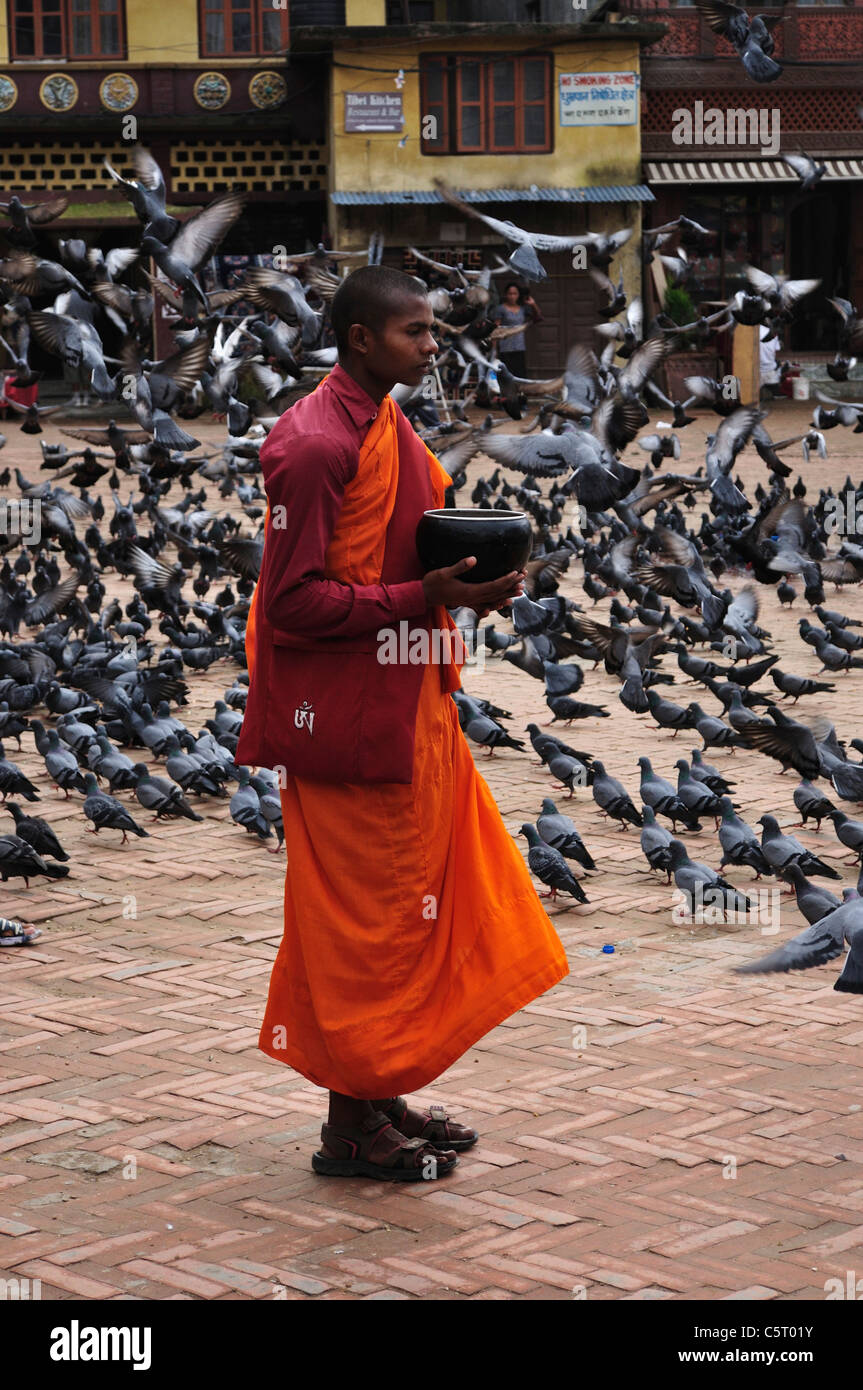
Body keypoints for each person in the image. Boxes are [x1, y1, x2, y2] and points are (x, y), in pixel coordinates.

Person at [237, 264, 569, 1183]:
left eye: (431, 331)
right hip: (347, 723)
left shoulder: (381, 420)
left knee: (410, 907)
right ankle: (349, 1131)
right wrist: (423, 594)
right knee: (367, 923)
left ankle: (378, 1091)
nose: (432, 345)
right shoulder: (311, 447)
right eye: (416, 332)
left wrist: (465, 585)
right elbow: (293, 604)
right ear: (359, 339)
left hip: (404, 700)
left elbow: (405, 538)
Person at [492, 281, 543, 379]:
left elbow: (538, 318)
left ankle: (520, 394)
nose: (512, 296)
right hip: (505, 348)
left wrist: (533, 304)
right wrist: (494, 350)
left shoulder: (523, 309)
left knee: (520, 375)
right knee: (505, 376)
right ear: (506, 295)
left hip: (519, 347)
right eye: (510, 294)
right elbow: (495, 331)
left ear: (518, 295)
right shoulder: (500, 309)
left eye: (514, 293)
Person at [759, 323, 781, 399]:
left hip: (756, 370)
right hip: (770, 369)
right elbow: (776, 352)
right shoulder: (773, 333)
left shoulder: (751, 333)